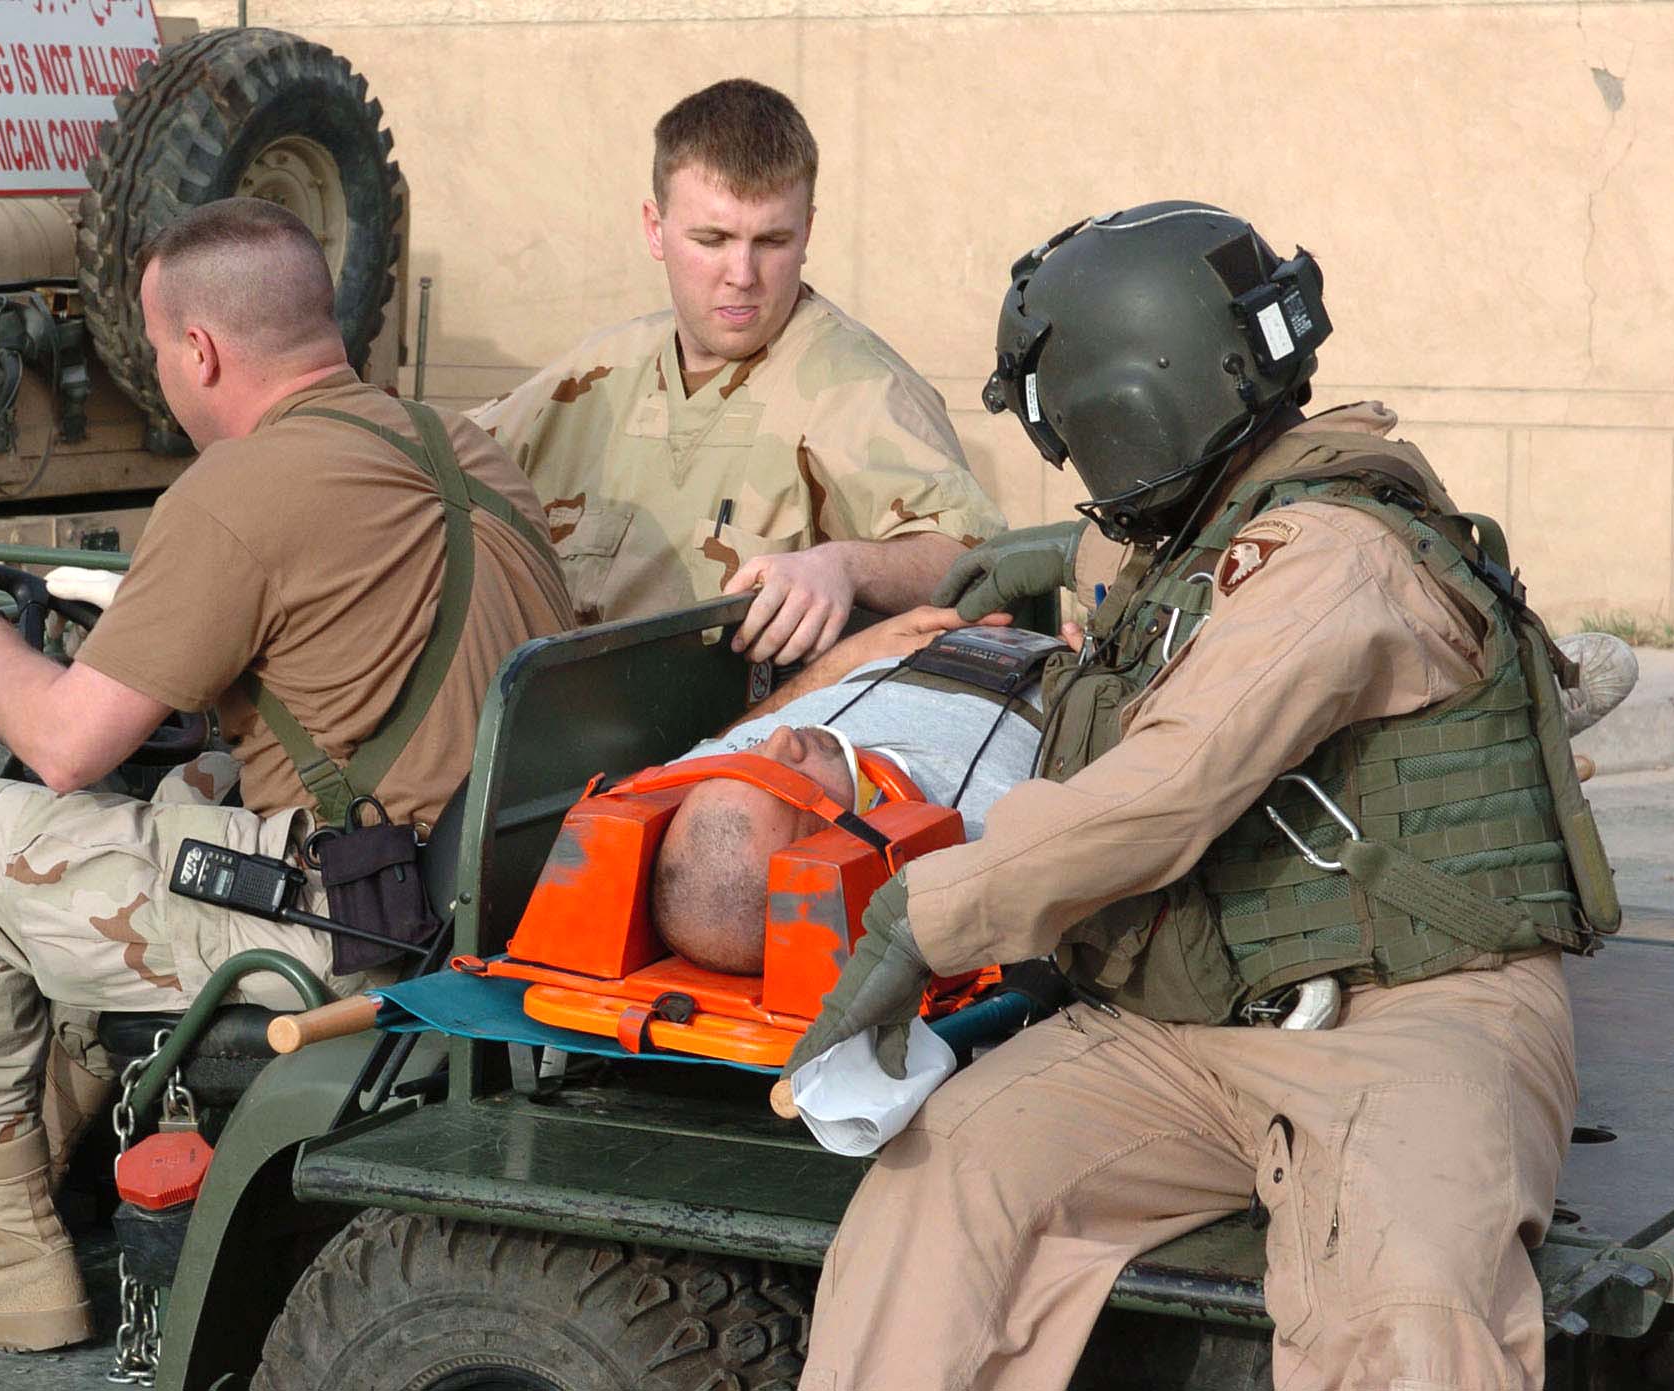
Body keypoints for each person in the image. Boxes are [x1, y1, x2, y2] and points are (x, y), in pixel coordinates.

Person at [786, 201, 1619, 1391]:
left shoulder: (1335, 558)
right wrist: (1044, 555)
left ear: (1123, 413)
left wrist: (926, 919)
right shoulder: (1215, 524)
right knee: (943, 1186)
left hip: (1412, 1018)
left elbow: (1163, 789)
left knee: (1409, 1316)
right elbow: (1177, 570)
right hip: (1179, 1025)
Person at [0, 198, 572, 1351]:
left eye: (153, 349)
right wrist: (141, 616)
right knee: (185, 791)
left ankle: (7, 1247)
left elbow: (62, 742)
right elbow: (337, 630)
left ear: (199, 351)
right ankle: (52, 1144)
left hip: (361, 928)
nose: (159, 371)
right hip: (495, 886)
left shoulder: (235, 491)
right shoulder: (463, 446)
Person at [472, 78, 1004, 663]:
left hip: (752, 741)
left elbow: (977, 560)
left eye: (772, 240)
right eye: (712, 239)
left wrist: (844, 566)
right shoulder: (592, 377)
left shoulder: (860, 388)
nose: (743, 275)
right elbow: (433, 460)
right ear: (655, 229)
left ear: (808, 231)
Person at [648, 606, 1050, 975]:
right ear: (842, 858)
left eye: (743, 763)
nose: (781, 737)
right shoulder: (998, 831)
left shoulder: (704, 774)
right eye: (788, 783)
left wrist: (855, 653)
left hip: (911, 643)